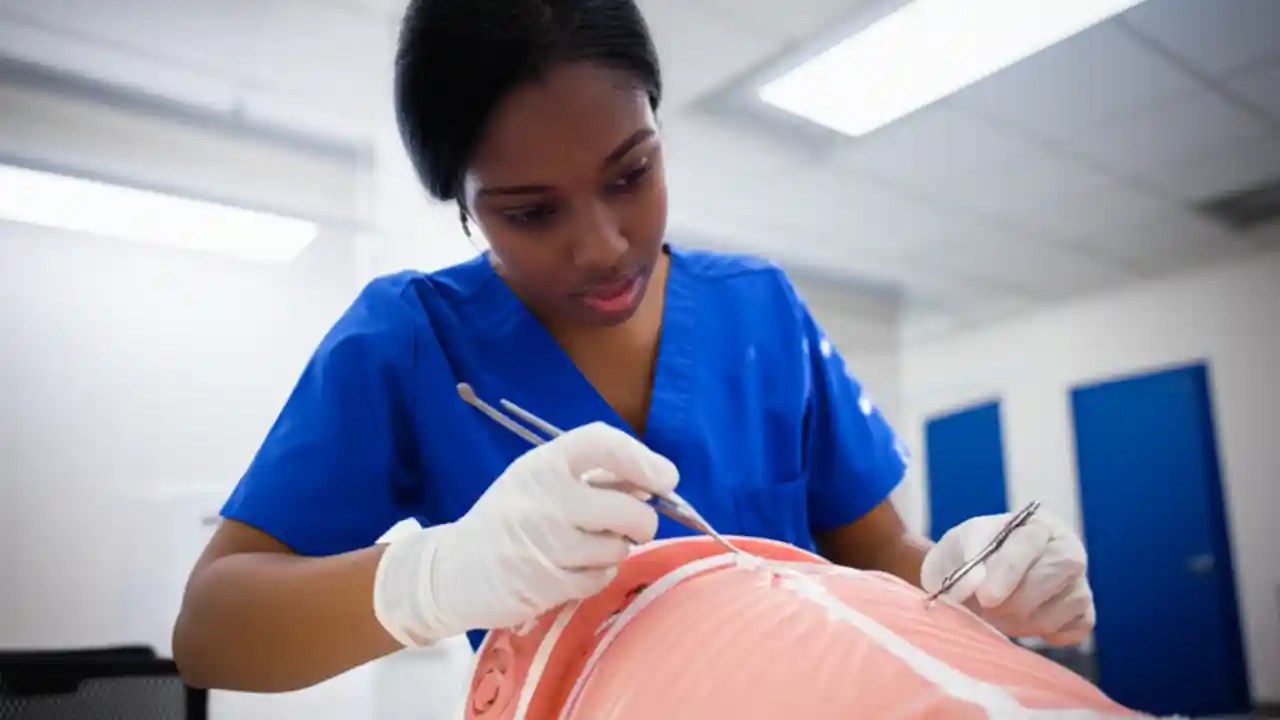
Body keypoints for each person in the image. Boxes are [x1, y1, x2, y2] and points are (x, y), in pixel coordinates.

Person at [172, 0, 1095, 694]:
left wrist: (965, 575)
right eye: (531, 212)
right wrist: (435, 578)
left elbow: (878, 549)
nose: (606, 245)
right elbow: (212, 632)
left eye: (632, 174)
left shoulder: (760, 312)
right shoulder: (413, 344)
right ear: (462, 202)